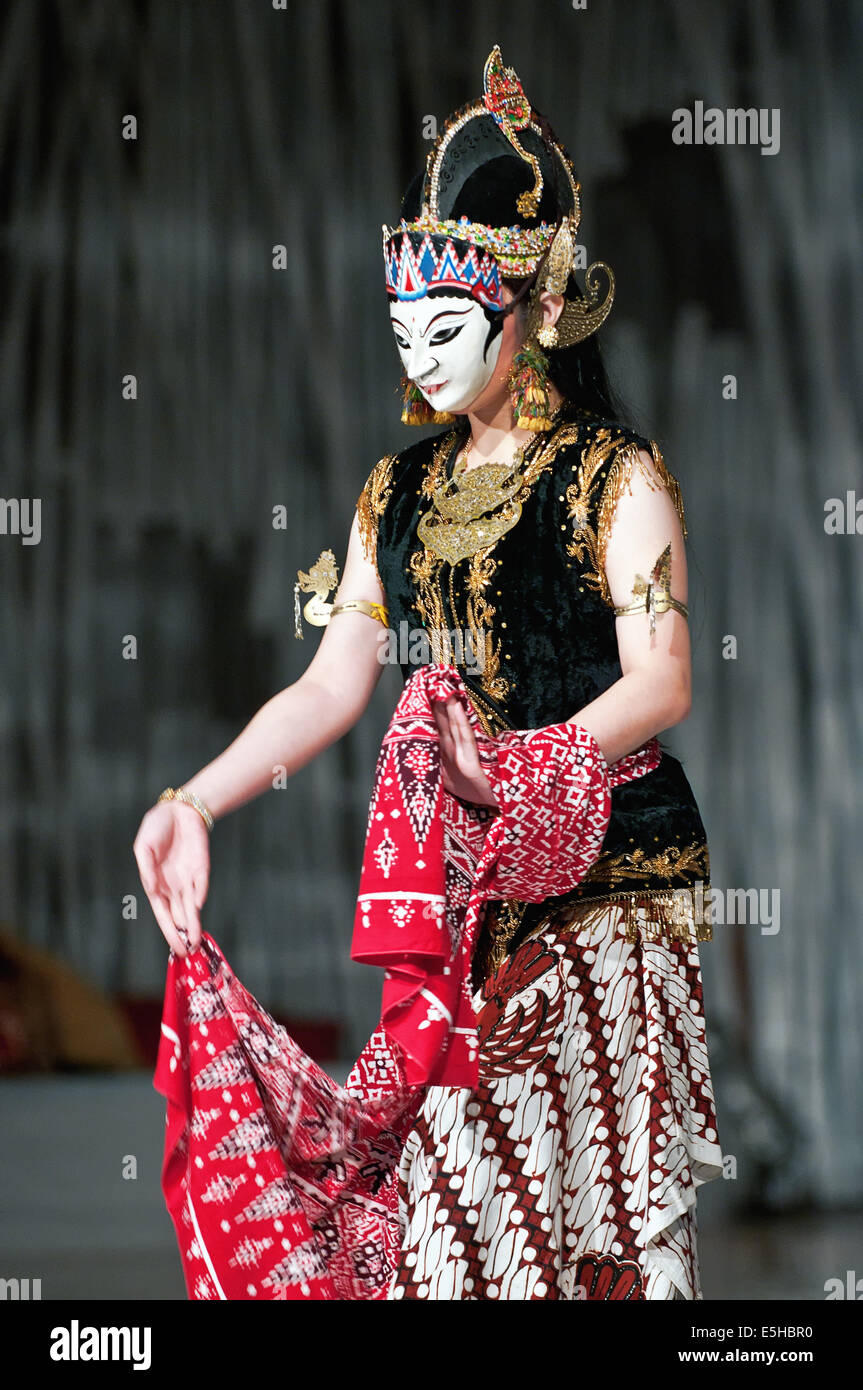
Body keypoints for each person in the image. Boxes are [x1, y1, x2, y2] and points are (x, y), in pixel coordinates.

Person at [135, 44, 723, 1301]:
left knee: (593, 1239)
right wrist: (194, 800)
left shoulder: (612, 477)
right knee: (449, 1244)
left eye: (448, 325)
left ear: (539, 310)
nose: (423, 355)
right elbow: (329, 685)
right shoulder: (396, 492)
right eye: (404, 327)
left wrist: (508, 764)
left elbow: (659, 676)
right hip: (459, 903)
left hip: (601, 894)